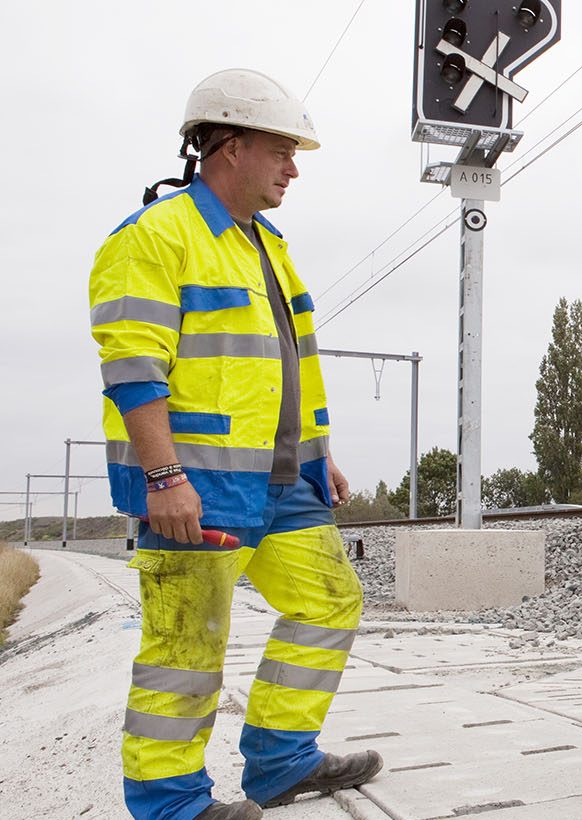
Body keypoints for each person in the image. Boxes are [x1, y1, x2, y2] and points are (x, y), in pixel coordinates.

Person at [88, 69, 382, 820]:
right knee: (186, 648)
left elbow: (285, 366)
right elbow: (133, 371)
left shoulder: (268, 246)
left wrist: (319, 453)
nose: (293, 168)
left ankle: (282, 762)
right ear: (227, 144)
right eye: (282, 150)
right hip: (198, 487)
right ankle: (170, 804)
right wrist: (163, 476)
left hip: (286, 482)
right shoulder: (154, 238)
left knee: (329, 602)